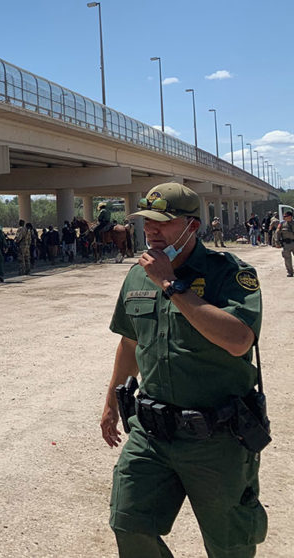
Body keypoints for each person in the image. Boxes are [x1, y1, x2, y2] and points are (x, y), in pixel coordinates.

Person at [100, 182, 267, 557]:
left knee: (230, 545)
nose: (152, 231)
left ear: (192, 226)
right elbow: (130, 342)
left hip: (217, 438)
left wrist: (172, 285)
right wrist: (111, 402)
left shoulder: (230, 274)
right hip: (152, 433)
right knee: (128, 523)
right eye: (147, 223)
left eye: (163, 223)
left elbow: (239, 340)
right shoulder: (137, 275)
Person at [279, 209, 294, 277]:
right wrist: (277, 242)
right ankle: (290, 272)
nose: (284, 217)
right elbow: (278, 232)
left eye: (286, 216)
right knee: (287, 259)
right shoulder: (282, 224)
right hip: (286, 244)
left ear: (290, 216)